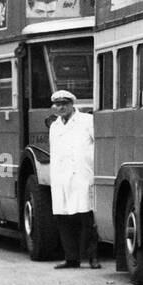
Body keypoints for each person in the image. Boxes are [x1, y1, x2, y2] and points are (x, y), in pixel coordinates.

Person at [47, 90, 98, 269]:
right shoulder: (55, 126)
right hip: (62, 177)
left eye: (64, 104)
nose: (61, 108)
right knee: (64, 217)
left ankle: (92, 257)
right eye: (57, 104)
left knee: (86, 217)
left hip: (82, 175)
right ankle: (71, 258)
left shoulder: (86, 121)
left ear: (71, 104)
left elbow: (97, 144)